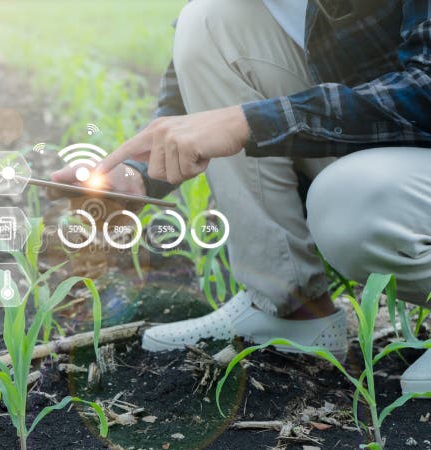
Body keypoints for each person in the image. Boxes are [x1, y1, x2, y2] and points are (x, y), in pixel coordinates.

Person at [52, 0, 431, 395]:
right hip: (388, 148)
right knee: (209, 20)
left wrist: (248, 122)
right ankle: (291, 306)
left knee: (350, 202)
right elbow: (203, 69)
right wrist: (139, 174)